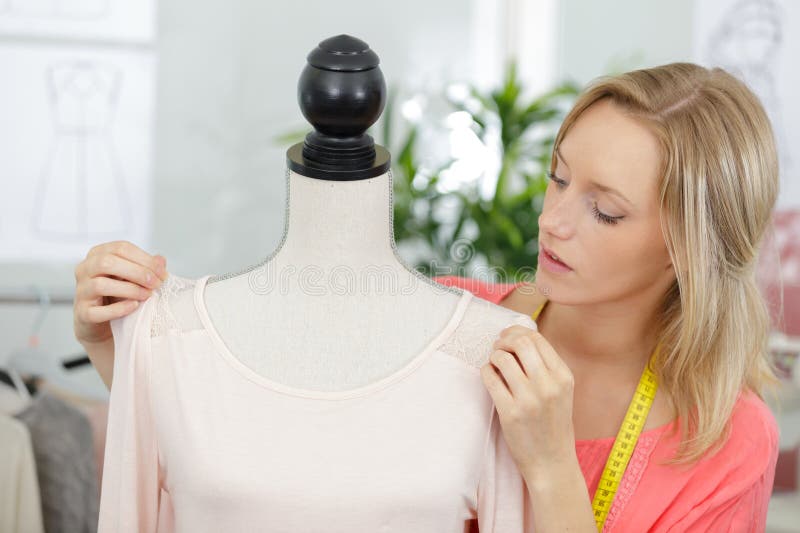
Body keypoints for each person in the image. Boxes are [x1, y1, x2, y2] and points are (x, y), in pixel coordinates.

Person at [74, 62, 780, 531]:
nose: (553, 220)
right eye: (560, 177)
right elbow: (283, 469)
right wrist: (123, 355)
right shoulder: (446, 323)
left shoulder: (729, 440)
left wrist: (550, 466)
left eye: (606, 210)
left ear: (688, 246)